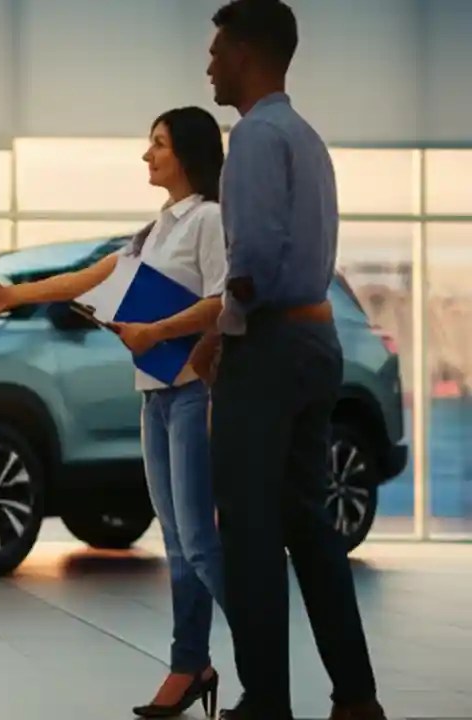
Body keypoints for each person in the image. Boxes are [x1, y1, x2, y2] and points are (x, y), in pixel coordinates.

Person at [0, 107, 229, 719]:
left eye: (157, 144)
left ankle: (265, 670)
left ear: (186, 152)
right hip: (156, 393)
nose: (147, 155)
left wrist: (156, 328)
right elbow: (95, 276)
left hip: (192, 390)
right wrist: (11, 296)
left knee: (201, 544)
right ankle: (189, 665)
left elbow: (222, 301)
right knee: (179, 544)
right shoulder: (159, 227)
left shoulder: (210, 221)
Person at [196, 2, 387, 719]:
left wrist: (222, 332)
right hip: (319, 340)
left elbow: (252, 262)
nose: (210, 63)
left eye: (218, 49)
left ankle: (266, 701)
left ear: (248, 51)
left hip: (270, 345)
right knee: (310, 525)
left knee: (245, 529)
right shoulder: (307, 138)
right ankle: (357, 697)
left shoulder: (251, 138)